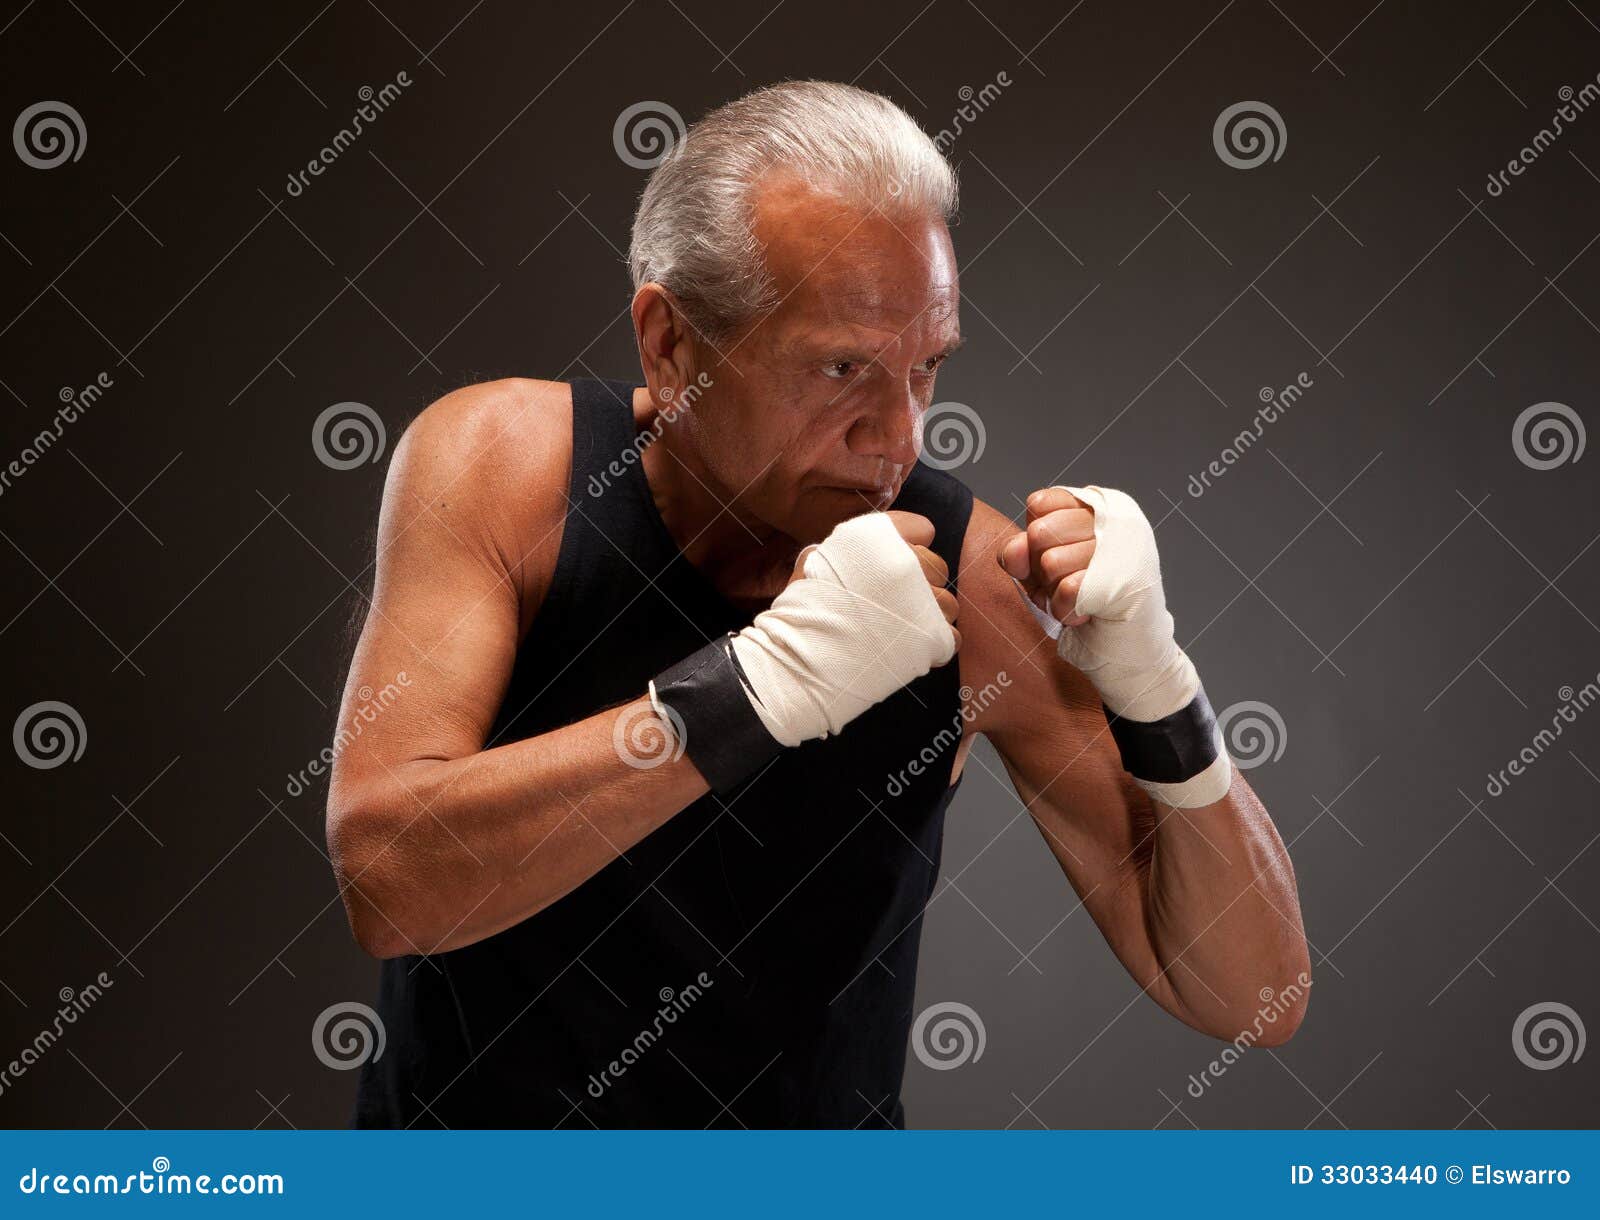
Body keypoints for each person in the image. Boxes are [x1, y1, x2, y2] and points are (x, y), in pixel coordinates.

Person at [326, 80, 1309, 1128]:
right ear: (670, 342)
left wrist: (1161, 690)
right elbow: (388, 881)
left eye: (925, 369)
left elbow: (1253, 997)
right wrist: (754, 688)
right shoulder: (509, 470)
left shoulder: (969, 581)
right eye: (841, 367)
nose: (899, 437)